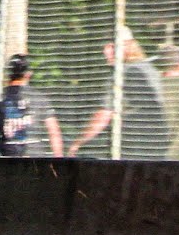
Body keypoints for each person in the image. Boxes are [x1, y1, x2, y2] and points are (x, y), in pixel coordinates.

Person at [67, 27, 168, 159]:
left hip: (132, 149)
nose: (105, 52)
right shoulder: (151, 70)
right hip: (157, 146)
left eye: (111, 47)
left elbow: (104, 115)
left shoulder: (121, 74)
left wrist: (78, 143)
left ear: (127, 46)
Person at [0, 54, 63, 157]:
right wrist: (59, 161)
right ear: (28, 74)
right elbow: (54, 132)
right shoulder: (39, 98)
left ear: (9, 73)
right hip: (35, 160)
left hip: (7, 160)